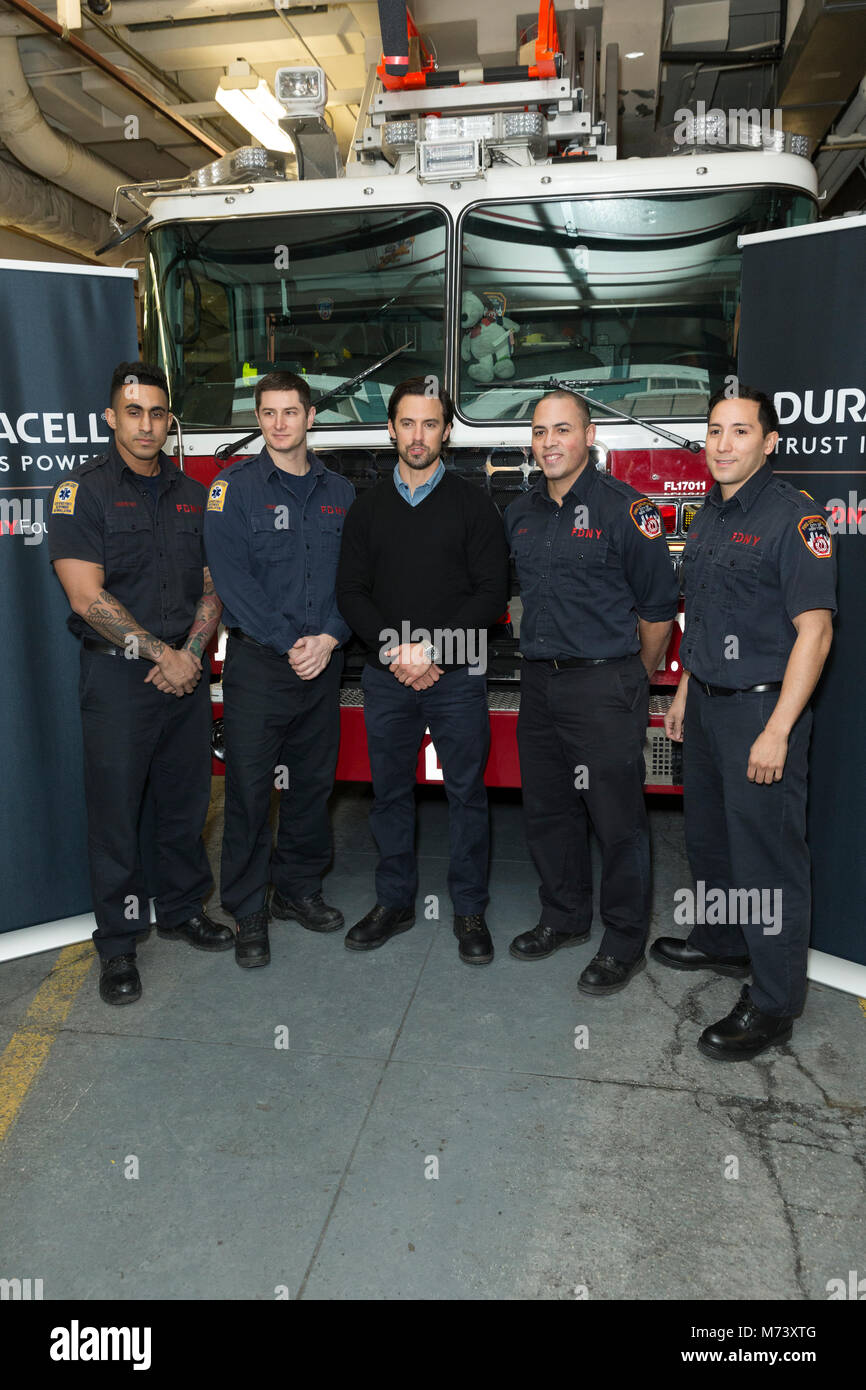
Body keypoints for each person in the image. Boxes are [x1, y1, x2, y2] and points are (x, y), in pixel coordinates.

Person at [656, 386, 836, 1060]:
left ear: (770, 443)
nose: (723, 444)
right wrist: (681, 693)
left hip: (761, 708)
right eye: (714, 431)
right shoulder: (708, 515)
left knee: (767, 862)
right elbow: (698, 615)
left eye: (739, 432)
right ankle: (724, 942)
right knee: (710, 841)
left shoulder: (793, 520)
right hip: (704, 702)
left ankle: (772, 1002)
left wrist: (779, 729)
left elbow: (814, 634)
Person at [48, 361, 230, 1006]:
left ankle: (182, 912)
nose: (147, 425)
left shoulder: (192, 493)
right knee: (117, 816)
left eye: (157, 413)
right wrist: (163, 653)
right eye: (134, 412)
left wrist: (191, 652)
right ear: (110, 418)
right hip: (119, 678)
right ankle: (120, 944)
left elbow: (211, 585)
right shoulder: (81, 492)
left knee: (185, 807)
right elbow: (84, 596)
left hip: (184, 671)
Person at [505, 390, 679, 994]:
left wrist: (634, 674)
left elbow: (658, 610)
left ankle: (623, 942)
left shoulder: (628, 510)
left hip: (605, 685)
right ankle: (564, 918)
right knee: (548, 812)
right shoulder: (520, 512)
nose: (549, 442)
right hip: (539, 683)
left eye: (562, 430)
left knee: (618, 822)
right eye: (539, 432)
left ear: (589, 436)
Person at [336, 378, 509, 964]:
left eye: (429, 424)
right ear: (391, 430)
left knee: (466, 793)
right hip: (387, 677)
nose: (418, 435)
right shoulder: (367, 509)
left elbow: (491, 592)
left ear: (446, 432)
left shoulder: (473, 505)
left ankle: (469, 910)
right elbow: (352, 592)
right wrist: (395, 653)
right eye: (407, 424)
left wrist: (433, 652)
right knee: (389, 794)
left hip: (457, 675)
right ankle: (394, 902)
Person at [204, 371, 354, 968]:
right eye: (268, 413)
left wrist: (332, 638)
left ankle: (298, 890)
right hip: (261, 666)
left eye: (290, 412)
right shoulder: (231, 489)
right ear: (259, 420)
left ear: (310, 417)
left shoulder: (341, 492)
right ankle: (247, 910)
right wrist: (296, 642)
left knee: (313, 786)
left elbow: (357, 580)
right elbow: (233, 582)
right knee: (247, 789)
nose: (279, 423)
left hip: (324, 663)